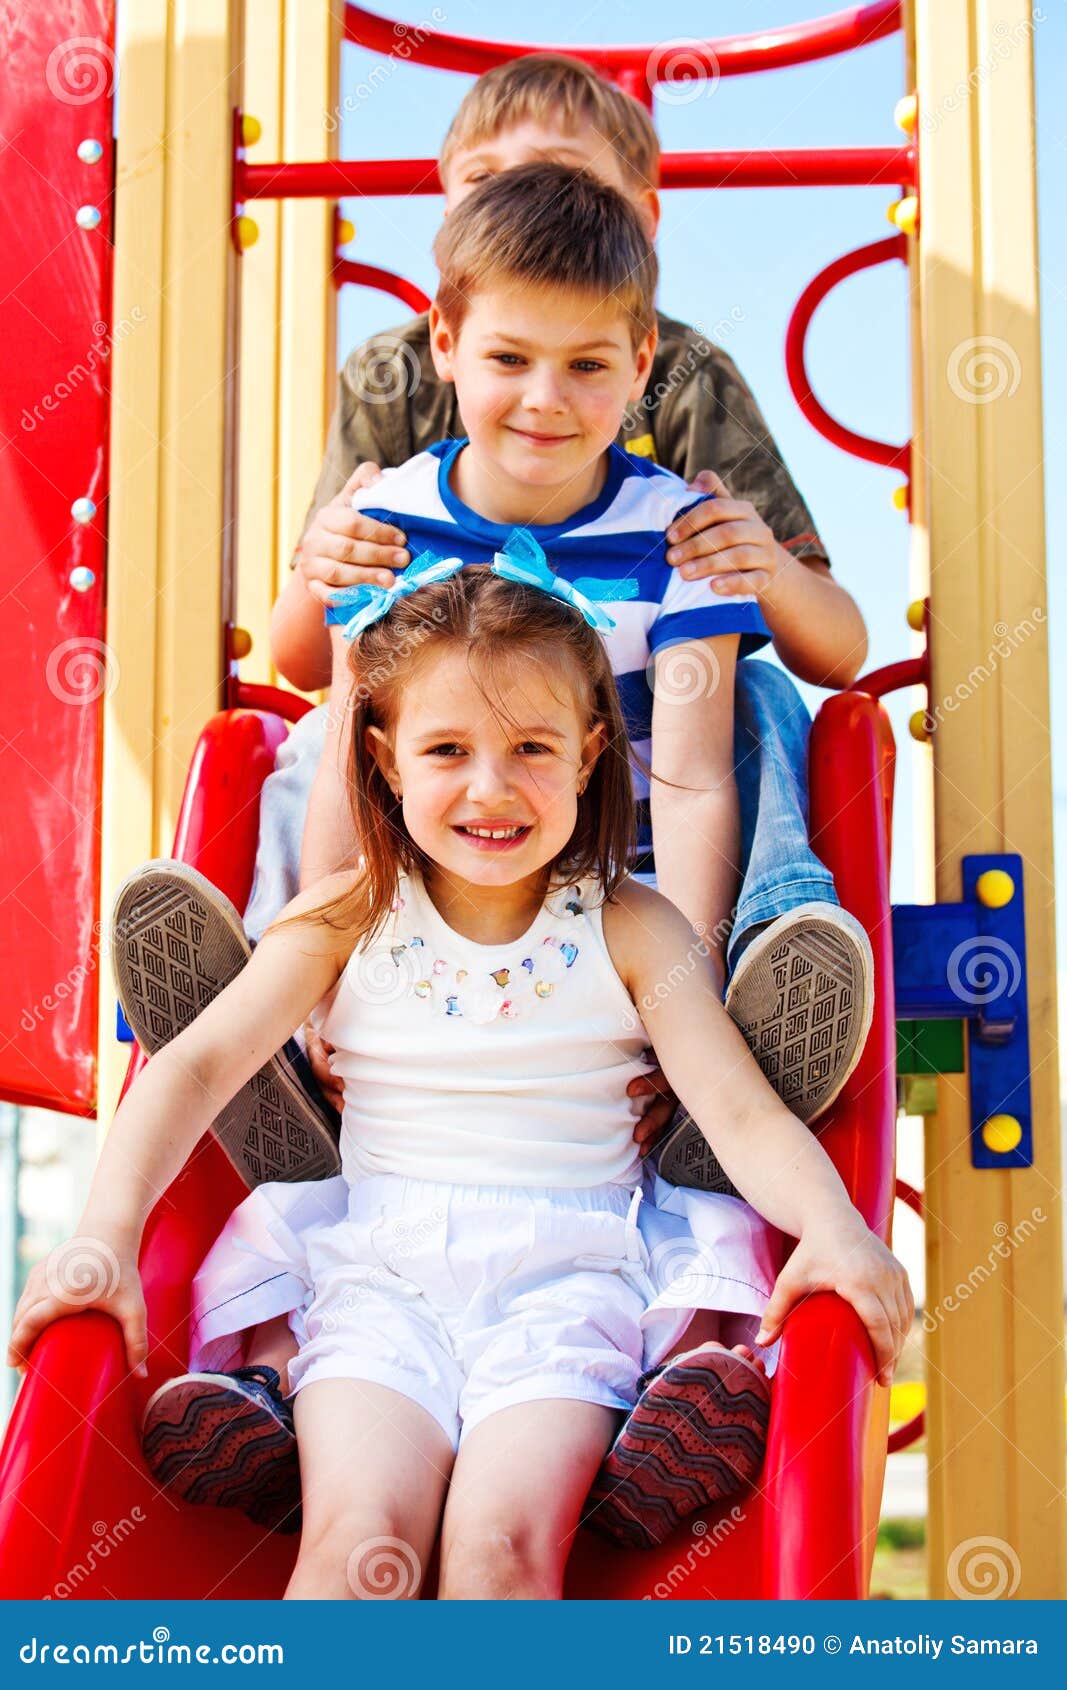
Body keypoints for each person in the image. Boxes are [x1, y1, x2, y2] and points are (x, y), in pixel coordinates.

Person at [9, 565, 913, 1597]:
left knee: (498, 1552)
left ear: (590, 752)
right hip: (379, 1279)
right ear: (386, 762)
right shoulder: (342, 919)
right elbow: (198, 1064)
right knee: (356, 1546)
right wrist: (104, 1235)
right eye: (446, 751)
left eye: (531, 747)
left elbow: (742, 1112)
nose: (491, 788)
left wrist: (838, 1228)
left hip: (567, 1284)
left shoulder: (629, 927)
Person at [112, 54, 873, 1202]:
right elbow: (318, 664)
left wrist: (753, 564)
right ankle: (268, 1000)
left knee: (763, 701)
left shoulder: (681, 438)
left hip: (627, 766)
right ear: (448, 339)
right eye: (483, 184)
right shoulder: (396, 443)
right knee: (302, 747)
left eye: (584, 368)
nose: (545, 396)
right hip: (435, 773)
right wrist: (320, 562)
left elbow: (809, 667)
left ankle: (760, 975)